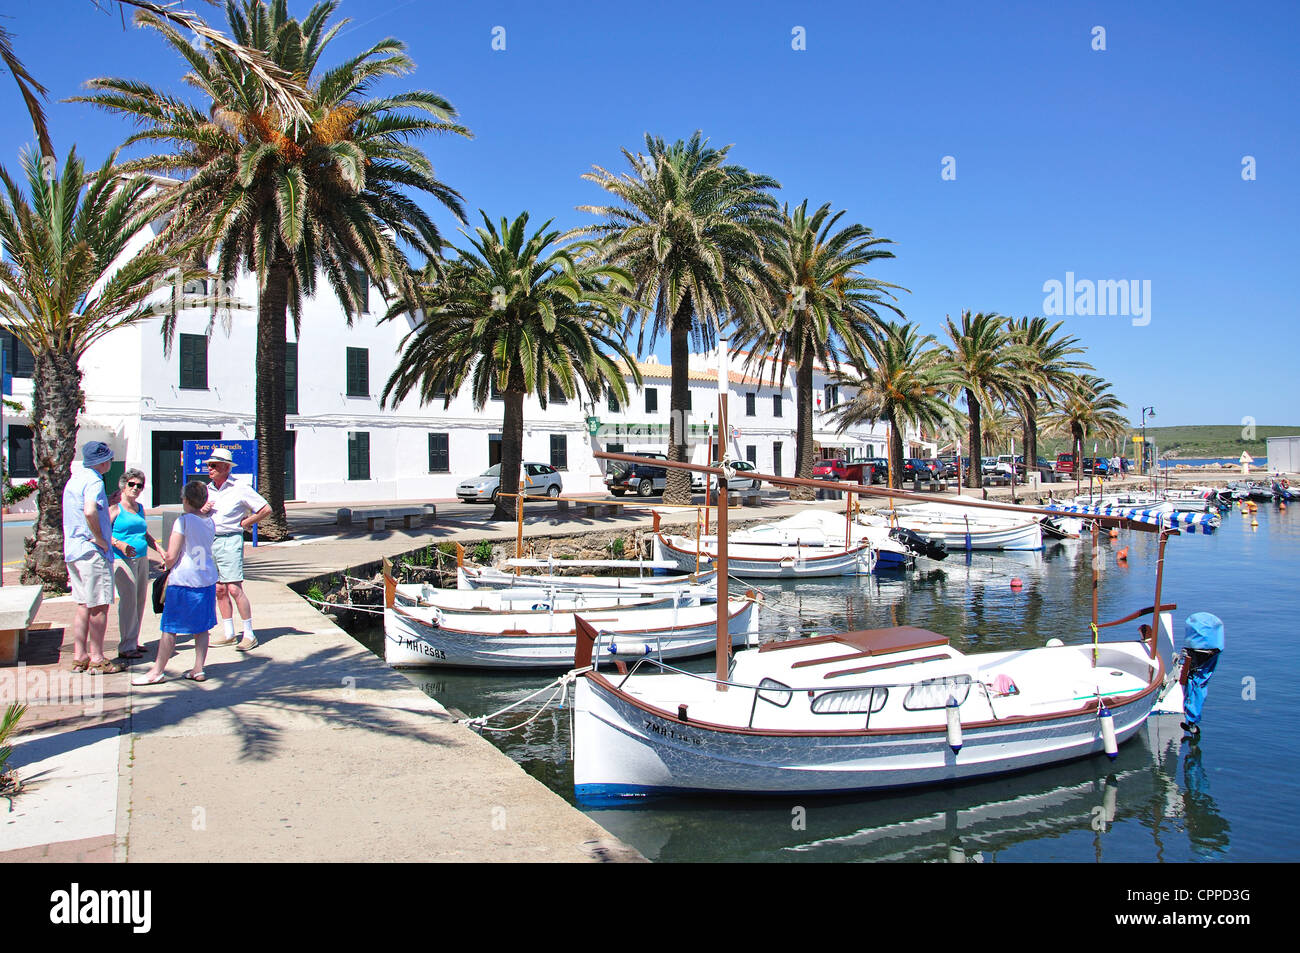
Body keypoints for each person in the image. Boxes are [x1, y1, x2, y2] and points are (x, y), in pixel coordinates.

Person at [133, 480, 217, 685]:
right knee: (202, 627)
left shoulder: (183, 521)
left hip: (184, 579)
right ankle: (198, 668)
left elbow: (171, 555)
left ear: (186, 499)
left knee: (170, 626)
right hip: (206, 578)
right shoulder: (209, 521)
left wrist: (166, 562)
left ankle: (157, 670)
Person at [202, 447, 270, 651]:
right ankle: (229, 632)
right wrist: (202, 511)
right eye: (208, 465)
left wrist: (246, 522)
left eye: (213, 465)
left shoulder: (240, 487)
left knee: (234, 588)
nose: (210, 469)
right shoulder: (207, 489)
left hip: (230, 540)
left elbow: (265, 508)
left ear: (225, 467)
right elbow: (196, 513)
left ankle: (249, 633)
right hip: (211, 540)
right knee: (219, 589)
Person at [63, 441, 123, 674]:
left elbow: (83, 509)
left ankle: (80, 656)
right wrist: (99, 538)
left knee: (83, 605)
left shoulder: (75, 479)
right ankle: (98, 657)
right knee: (99, 605)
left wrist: (108, 501)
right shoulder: (94, 480)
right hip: (92, 553)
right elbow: (89, 510)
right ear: (103, 461)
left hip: (74, 551)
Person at [110, 468, 165, 660]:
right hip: (121, 559)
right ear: (124, 486)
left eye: (139, 485)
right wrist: (119, 544)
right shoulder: (115, 508)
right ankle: (125, 645)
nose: (135, 488)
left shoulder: (140, 508)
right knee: (128, 601)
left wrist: (158, 549)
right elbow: (101, 533)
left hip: (141, 558)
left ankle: (133, 640)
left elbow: (144, 533)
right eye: (131, 484)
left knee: (140, 600)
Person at [1180, 612, 1225, 738]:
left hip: (1198, 651)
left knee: (1194, 684)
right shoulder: (1213, 647)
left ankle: (1192, 719)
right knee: (1199, 684)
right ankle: (1192, 719)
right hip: (1209, 651)